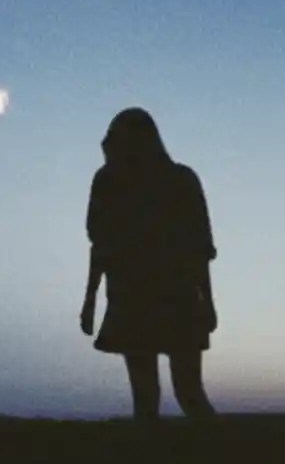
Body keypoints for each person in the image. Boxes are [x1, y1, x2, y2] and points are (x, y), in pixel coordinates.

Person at [80, 107, 217, 421]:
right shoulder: (107, 182)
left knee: (187, 392)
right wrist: (89, 300)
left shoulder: (181, 180)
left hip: (174, 298)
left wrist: (208, 301)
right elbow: (100, 245)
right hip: (133, 299)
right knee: (147, 396)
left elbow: (197, 249)